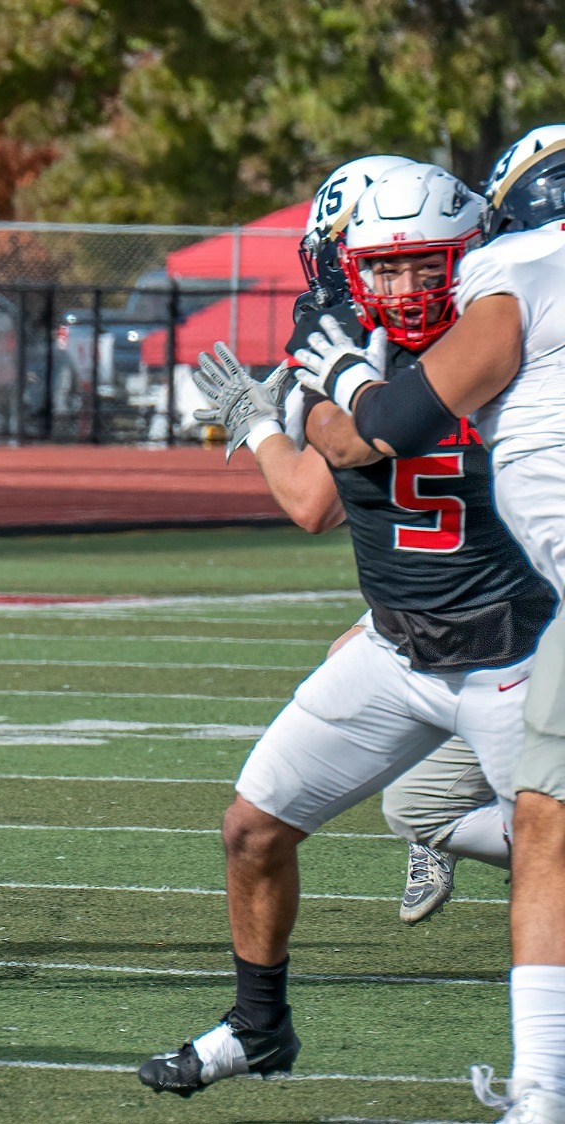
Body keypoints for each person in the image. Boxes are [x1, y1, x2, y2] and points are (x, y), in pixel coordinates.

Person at [140, 164, 549, 1098]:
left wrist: (294, 408)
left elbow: (369, 437)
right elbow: (316, 499)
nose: (405, 288)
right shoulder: (339, 343)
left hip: (511, 655)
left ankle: (542, 1082)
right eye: (384, 267)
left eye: (424, 264)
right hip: (397, 646)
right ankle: (259, 1026)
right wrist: (277, 419)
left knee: (552, 864)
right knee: (251, 828)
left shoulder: (503, 340)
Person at [290, 124, 565, 1123]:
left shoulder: (513, 281)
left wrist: (332, 378)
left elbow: (379, 432)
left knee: (537, 826)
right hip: (501, 619)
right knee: (508, 815)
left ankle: (541, 1095)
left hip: (518, 627)